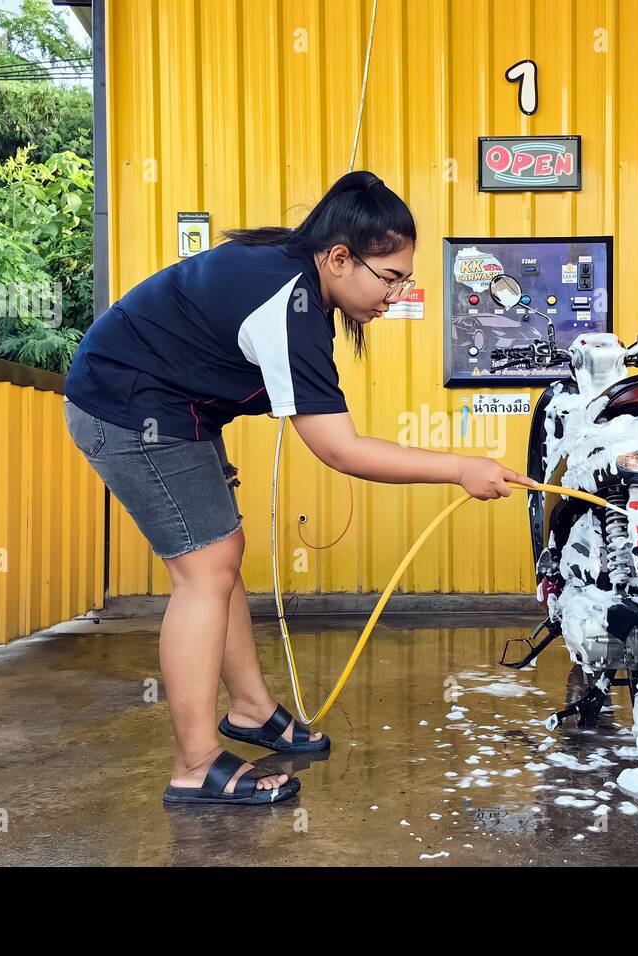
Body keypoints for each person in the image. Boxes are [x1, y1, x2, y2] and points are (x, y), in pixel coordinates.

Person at [62, 170, 534, 806]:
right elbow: (340, 448)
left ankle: (252, 710)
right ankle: (194, 764)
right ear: (339, 257)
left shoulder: (297, 275)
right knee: (204, 570)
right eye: (390, 277)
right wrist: (460, 467)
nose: (396, 295)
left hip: (172, 410)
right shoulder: (291, 299)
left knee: (220, 555)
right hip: (127, 408)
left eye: (403, 280)